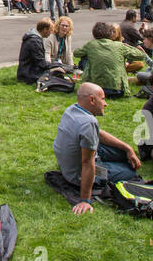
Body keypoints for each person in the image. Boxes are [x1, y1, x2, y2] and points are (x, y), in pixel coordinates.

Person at [57, 82, 143, 214]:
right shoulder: (88, 123)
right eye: (102, 99)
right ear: (92, 100)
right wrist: (85, 200)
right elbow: (87, 163)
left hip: (68, 166)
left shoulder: (73, 110)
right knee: (130, 172)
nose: (106, 103)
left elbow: (98, 133)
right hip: (77, 174)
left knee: (123, 154)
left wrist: (128, 149)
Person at [75, 21, 148, 97]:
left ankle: (89, 82)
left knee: (85, 58)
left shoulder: (91, 44)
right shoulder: (119, 46)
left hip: (95, 89)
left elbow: (76, 53)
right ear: (109, 33)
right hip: (117, 90)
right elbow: (141, 55)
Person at [18, 18, 60, 84]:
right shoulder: (34, 42)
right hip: (28, 74)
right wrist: (58, 65)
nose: (51, 32)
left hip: (27, 71)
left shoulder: (34, 38)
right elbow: (41, 63)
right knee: (57, 74)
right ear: (45, 30)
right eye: (50, 30)